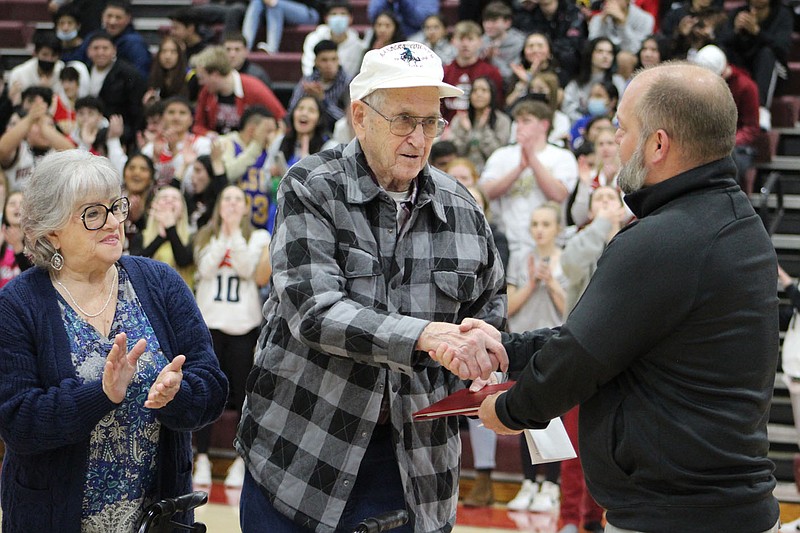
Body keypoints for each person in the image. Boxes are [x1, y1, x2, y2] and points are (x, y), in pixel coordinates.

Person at [460, 62, 781, 533]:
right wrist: (508, 348)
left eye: (622, 129)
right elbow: (609, 334)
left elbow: (581, 354)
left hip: (679, 516)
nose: (616, 145)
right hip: (718, 507)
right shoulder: (731, 220)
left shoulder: (666, 237)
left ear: (657, 144)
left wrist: (510, 410)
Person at [235, 41, 508, 533]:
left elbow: (490, 306)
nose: (420, 137)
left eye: (431, 122)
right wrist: (426, 336)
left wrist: (481, 359)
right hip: (301, 452)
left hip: (415, 468)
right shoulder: (311, 186)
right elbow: (314, 312)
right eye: (404, 119)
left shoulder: (463, 208)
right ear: (361, 116)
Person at [0, 150, 228, 531]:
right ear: (51, 230)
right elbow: (19, 422)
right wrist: (101, 395)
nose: (113, 223)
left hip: (156, 521)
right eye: (93, 213)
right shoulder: (18, 304)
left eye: (116, 207)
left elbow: (213, 388)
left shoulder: (161, 283)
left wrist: (179, 393)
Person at [192, 184, 271, 488]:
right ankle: (201, 457)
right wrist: (223, 235)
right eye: (227, 198)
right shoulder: (204, 235)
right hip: (210, 324)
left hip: (243, 326)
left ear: (246, 206)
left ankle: (240, 460)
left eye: (239, 199)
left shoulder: (259, 237)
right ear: (219, 204)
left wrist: (235, 233)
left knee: (242, 395)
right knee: (206, 393)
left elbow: (252, 272)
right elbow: (206, 270)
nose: (233, 204)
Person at [479, 99, 578, 256]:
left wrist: (532, 159)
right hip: (507, 243)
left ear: (544, 125)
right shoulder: (501, 155)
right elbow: (485, 193)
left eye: (526, 121)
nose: (519, 126)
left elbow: (558, 194)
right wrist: (519, 169)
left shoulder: (563, 156)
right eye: (517, 121)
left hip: (549, 245)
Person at [191, 45, 286, 136]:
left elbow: (281, 119)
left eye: (202, 78)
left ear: (215, 75)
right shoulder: (206, 92)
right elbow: (198, 125)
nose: (200, 83)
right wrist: (207, 134)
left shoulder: (254, 89)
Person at [446, 76, 511, 173]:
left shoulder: (502, 120)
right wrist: (467, 131)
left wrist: (484, 129)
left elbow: (496, 153)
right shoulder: (460, 119)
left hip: (491, 171)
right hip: (462, 171)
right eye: (475, 90)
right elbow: (456, 152)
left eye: (484, 90)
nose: (479, 94)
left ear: (492, 94)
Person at [443, 21, 505, 121]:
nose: (465, 44)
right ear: (453, 41)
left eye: (470, 39)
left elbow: (497, 105)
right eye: (461, 39)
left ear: (480, 42)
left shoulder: (491, 72)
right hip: (448, 130)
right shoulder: (444, 72)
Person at [288, 39, 351, 128]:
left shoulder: (348, 83)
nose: (329, 64)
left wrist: (323, 100)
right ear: (316, 62)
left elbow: (347, 121)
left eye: (334, 59)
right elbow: (292, 111)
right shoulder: (308, 81)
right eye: (324, 60)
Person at [301, 0, 367, 79]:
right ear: (326, 18)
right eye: (334, 14)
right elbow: (308, 68)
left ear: (351, 18)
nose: (338, 18)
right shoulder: (313, 38)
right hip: (316, 84)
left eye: (343, 14)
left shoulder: (358, 46)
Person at [243, 0, 321, 54]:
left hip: (308, 12)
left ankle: (272, 48)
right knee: (256, 2)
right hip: (277, 10)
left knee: (275, 4)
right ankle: (245, 45)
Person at [481, 1, 527, 82]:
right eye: (486, 20)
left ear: (507, 23)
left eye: (494, 21)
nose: (488, 25)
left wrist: (493, 59)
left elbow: (510, 76)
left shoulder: (519, 42)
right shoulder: (481, 41)